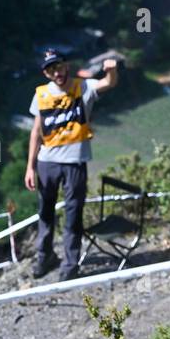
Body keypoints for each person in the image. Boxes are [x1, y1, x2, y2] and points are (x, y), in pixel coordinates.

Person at [24, 49, 120, 280]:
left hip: (75, 162)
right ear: (46, 73)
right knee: (45, 212)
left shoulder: (83, 87)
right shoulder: (41, 95)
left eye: (59, 67)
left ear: (67, 66)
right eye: (51, 69)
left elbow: (108, 83)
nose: (57, 72)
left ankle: (70, 264)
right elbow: (36, 131)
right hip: (47, 162)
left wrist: (112, 70)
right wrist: (30, 166)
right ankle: (44, 256)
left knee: (73, 213)